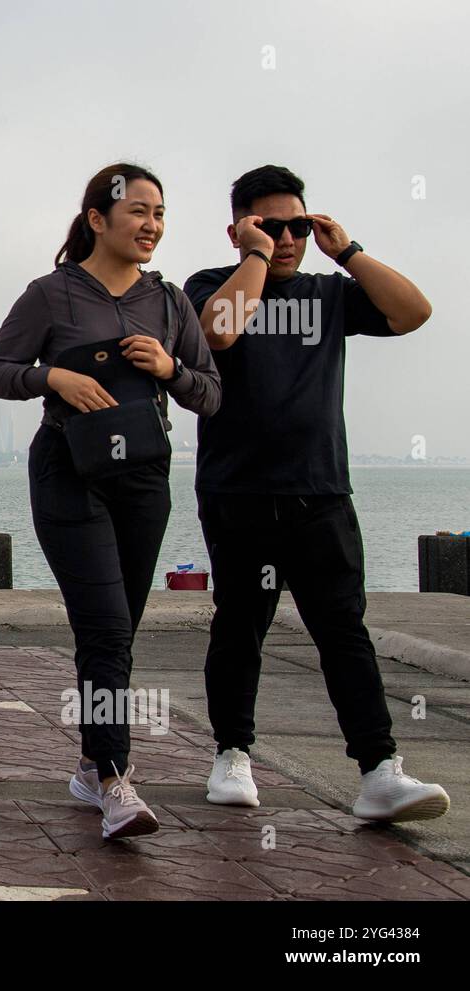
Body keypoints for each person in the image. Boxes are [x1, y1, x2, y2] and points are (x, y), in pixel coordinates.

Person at [183, 164, 450, 822]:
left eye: (297, 225)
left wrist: (348, 251)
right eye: (271, 225)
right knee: (241, 625)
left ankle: (379, 771)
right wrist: (254, 255)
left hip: (321, 491)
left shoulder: (331, 294)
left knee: (343, 631)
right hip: (238, 491)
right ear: (240, 227)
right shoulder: (209, 285)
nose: (288, 238)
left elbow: (413, 311)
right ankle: (232, 754)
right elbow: (219, 331)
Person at [0, 163, 220, 840]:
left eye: (161, 214)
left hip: (143, 476)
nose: (152, 225)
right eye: (139, 211)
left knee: (115, 631)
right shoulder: (51, 296)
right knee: (108, 626)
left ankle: (90, 763)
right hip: (67, 468)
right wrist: (53, 374)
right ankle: (116, 780)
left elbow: (212, 390)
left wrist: (169, 368)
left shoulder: (169, 302)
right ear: (97, 218)